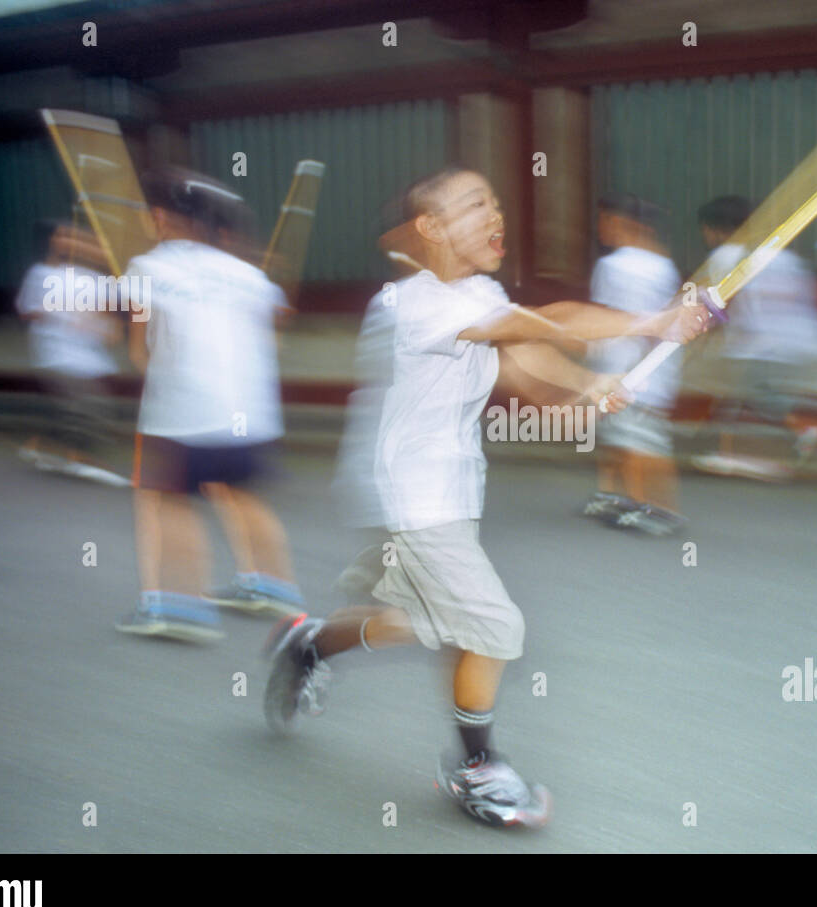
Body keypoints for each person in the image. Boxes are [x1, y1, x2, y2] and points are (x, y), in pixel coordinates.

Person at [264, 166, 709, 828]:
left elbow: (525, 365)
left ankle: (307, 645)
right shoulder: (420, 301)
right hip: (412, 499)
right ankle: (478, 768)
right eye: (475, 204)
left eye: (496, 203)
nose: (495, 215)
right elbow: (552, 320)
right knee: (496, 627)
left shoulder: (476, 294)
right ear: (432, 228)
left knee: (419, 621)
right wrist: (657, 320)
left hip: (431, 490)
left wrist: (590, 389)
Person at [114, 167, 305, 643]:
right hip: (250, 416)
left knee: (166, 501)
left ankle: (181, 607)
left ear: (161, 216)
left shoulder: (148, 268)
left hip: (182, 414)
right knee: (239, 493)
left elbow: (142, 351)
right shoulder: (252, 277)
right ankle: (273, 585)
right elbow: (271, 343)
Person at [690, 195, 817, 480]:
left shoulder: (723, 257)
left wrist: (704, 334)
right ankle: (735, 453)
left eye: (705, 229)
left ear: (715, 228)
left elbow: (723, 302)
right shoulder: (779, 253)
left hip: (761, 344)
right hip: (803, 341)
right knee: (748, 399)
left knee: (763, 399)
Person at [582, 194, 686, 535]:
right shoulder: (663, 265)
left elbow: (603, 319)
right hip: (653, 363)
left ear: (625, 224)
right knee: (633, 436)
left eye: (606, 221)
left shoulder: (614, 265)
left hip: (624, 365)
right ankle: (620, 497)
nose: (601, 229)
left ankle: (658, 509)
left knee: (639, 441)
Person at [14, 221, 129, 486]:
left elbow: (114, 315)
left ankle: (44, 446)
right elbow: (28, 310)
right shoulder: (42, 274)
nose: (78, 245)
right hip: (59, 354)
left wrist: (109, 327)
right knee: (87, 408)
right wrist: (64, 316)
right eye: (66, 238)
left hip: (89, 359)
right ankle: (81, 459)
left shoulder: (98, 279)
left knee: (86, 409)